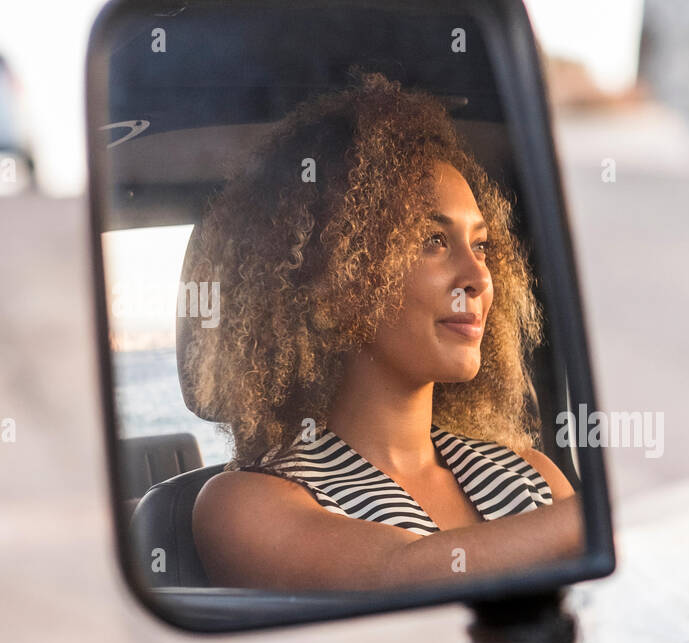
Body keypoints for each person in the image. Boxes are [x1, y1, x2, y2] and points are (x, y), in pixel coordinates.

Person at [185, 73, 582, 589]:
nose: (480, 278)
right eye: (432, 239)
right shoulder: (242, 503)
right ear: (336, 273)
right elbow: (402, 571)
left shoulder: (532, 474)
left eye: (481, 245)